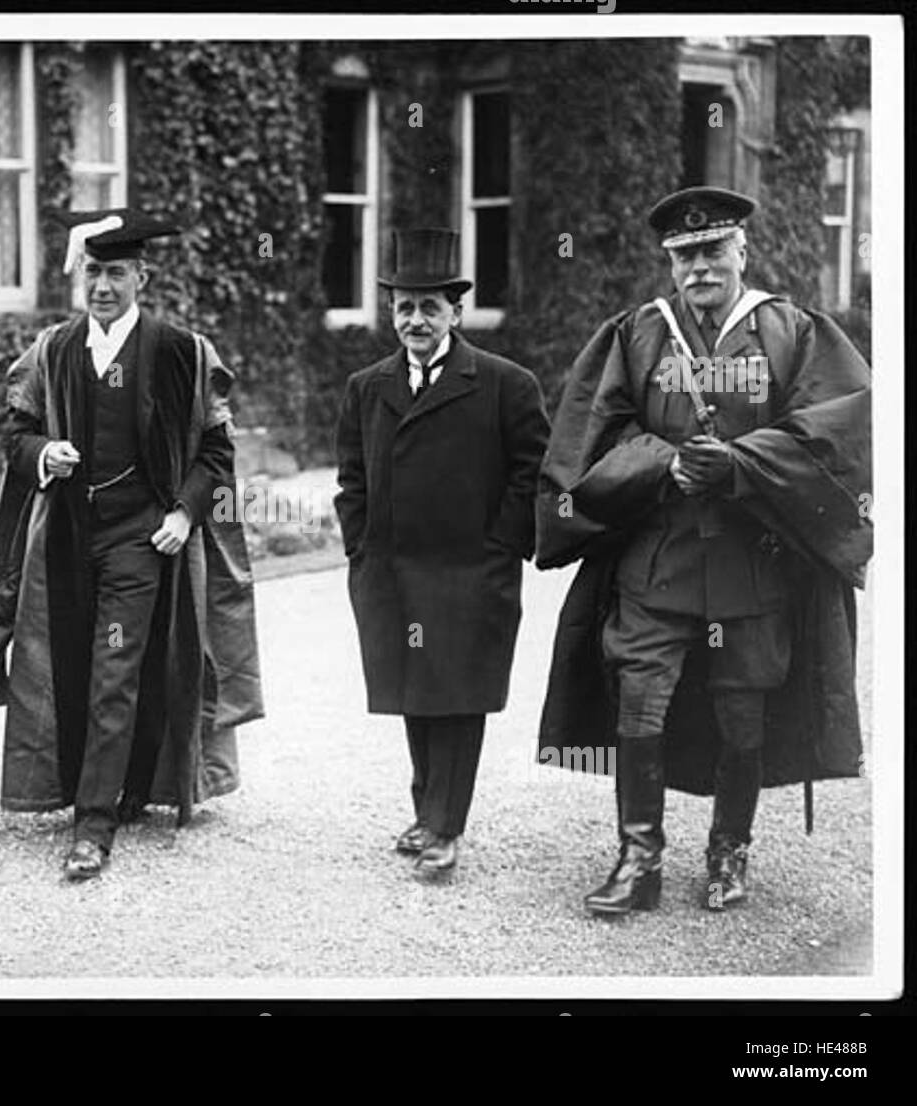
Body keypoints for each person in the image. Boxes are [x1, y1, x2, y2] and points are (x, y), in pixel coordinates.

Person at [535, 186, 872, 914]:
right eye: (684, 255)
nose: (698, 268)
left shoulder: (790, 332)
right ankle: (639, 857)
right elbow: (595, 432)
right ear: (670, 262)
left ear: (741, 251)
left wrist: (743, 464)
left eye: (713, 250)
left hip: (753, 570)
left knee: (742, 713)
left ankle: (729, 850)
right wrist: (664, 463)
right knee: (639, 701)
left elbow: (835, 430)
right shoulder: (638, 335)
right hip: (657, 566)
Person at [0, 208, 263, 882]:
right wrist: (43, 452)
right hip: (68, 536)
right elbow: (13, 435)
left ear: (141, 277)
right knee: (67, 665)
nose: (102, 285)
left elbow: (215, 448)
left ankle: (92, 827)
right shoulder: (54, 350)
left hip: (141, 540)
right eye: (93, 271)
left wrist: (184, 513)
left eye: (116, 272)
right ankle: (107, 790)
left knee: (114, 670)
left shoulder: (182, 351)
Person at [334, 227, 550, 876]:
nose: (416, 320)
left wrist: (498, 547)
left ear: (456, 313)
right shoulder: (367, 387)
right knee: (413, 690)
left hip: (468, 572)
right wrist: (362, 548)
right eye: (404, 306)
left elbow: (533, 471)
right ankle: (429, 810)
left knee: (457, 697)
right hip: (392, 571)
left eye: (430, 307)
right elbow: (351, 477)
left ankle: (445, 827)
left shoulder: (503, 383)